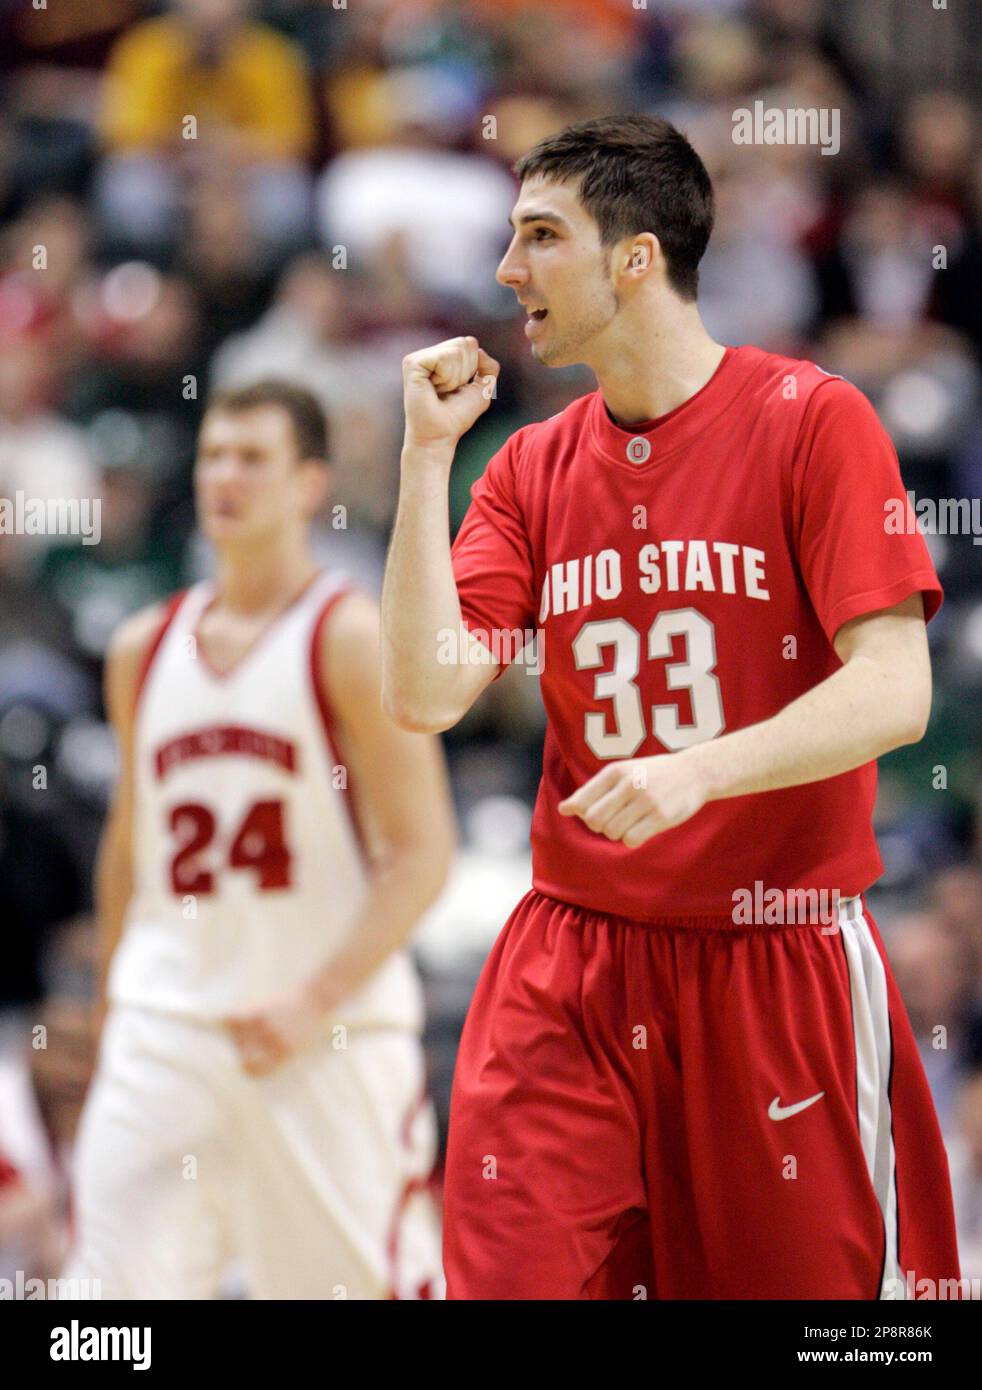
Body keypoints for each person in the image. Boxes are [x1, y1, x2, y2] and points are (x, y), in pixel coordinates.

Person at [381, 114, 961, 1300]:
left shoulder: (812, 418)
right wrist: (421, 460)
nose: (507, 270)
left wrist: (700, 769)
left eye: (540, 236)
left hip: (771, 956)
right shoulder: (529, 466)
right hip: (571, 962)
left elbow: (898, 692)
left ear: (635, 259)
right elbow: (423, 688)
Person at [64, 379, 455, 1299]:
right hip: (172, 1033)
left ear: (309, 482)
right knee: (107, 1308)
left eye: (252, 458)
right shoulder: (142, 647)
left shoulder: (351, 638)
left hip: (328, 1037)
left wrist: (310, 996)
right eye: (212, 455)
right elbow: (130, 852)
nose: (224, 477)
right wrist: (120, 1003)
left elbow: (422, 853)